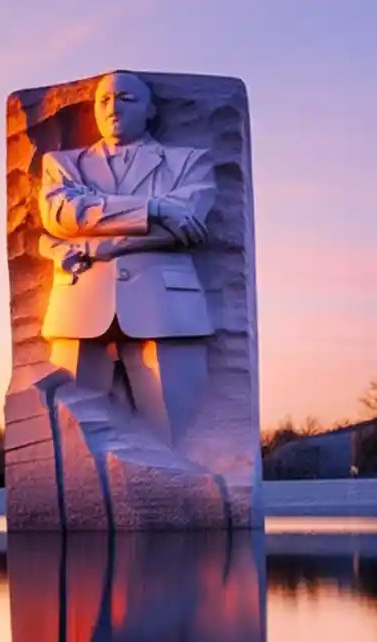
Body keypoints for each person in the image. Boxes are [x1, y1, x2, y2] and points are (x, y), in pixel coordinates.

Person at [37, 71, 217, 446]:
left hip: (168, 310)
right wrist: (154, 207)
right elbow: (62, 216)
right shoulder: (64, 164)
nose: (112, 107)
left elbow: (189, 224)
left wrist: (95, 243)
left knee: (178, 443)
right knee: (72, 443)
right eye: (103, 100)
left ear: (151, 110)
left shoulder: (189, 162)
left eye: (126, 98)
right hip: (79, 307)